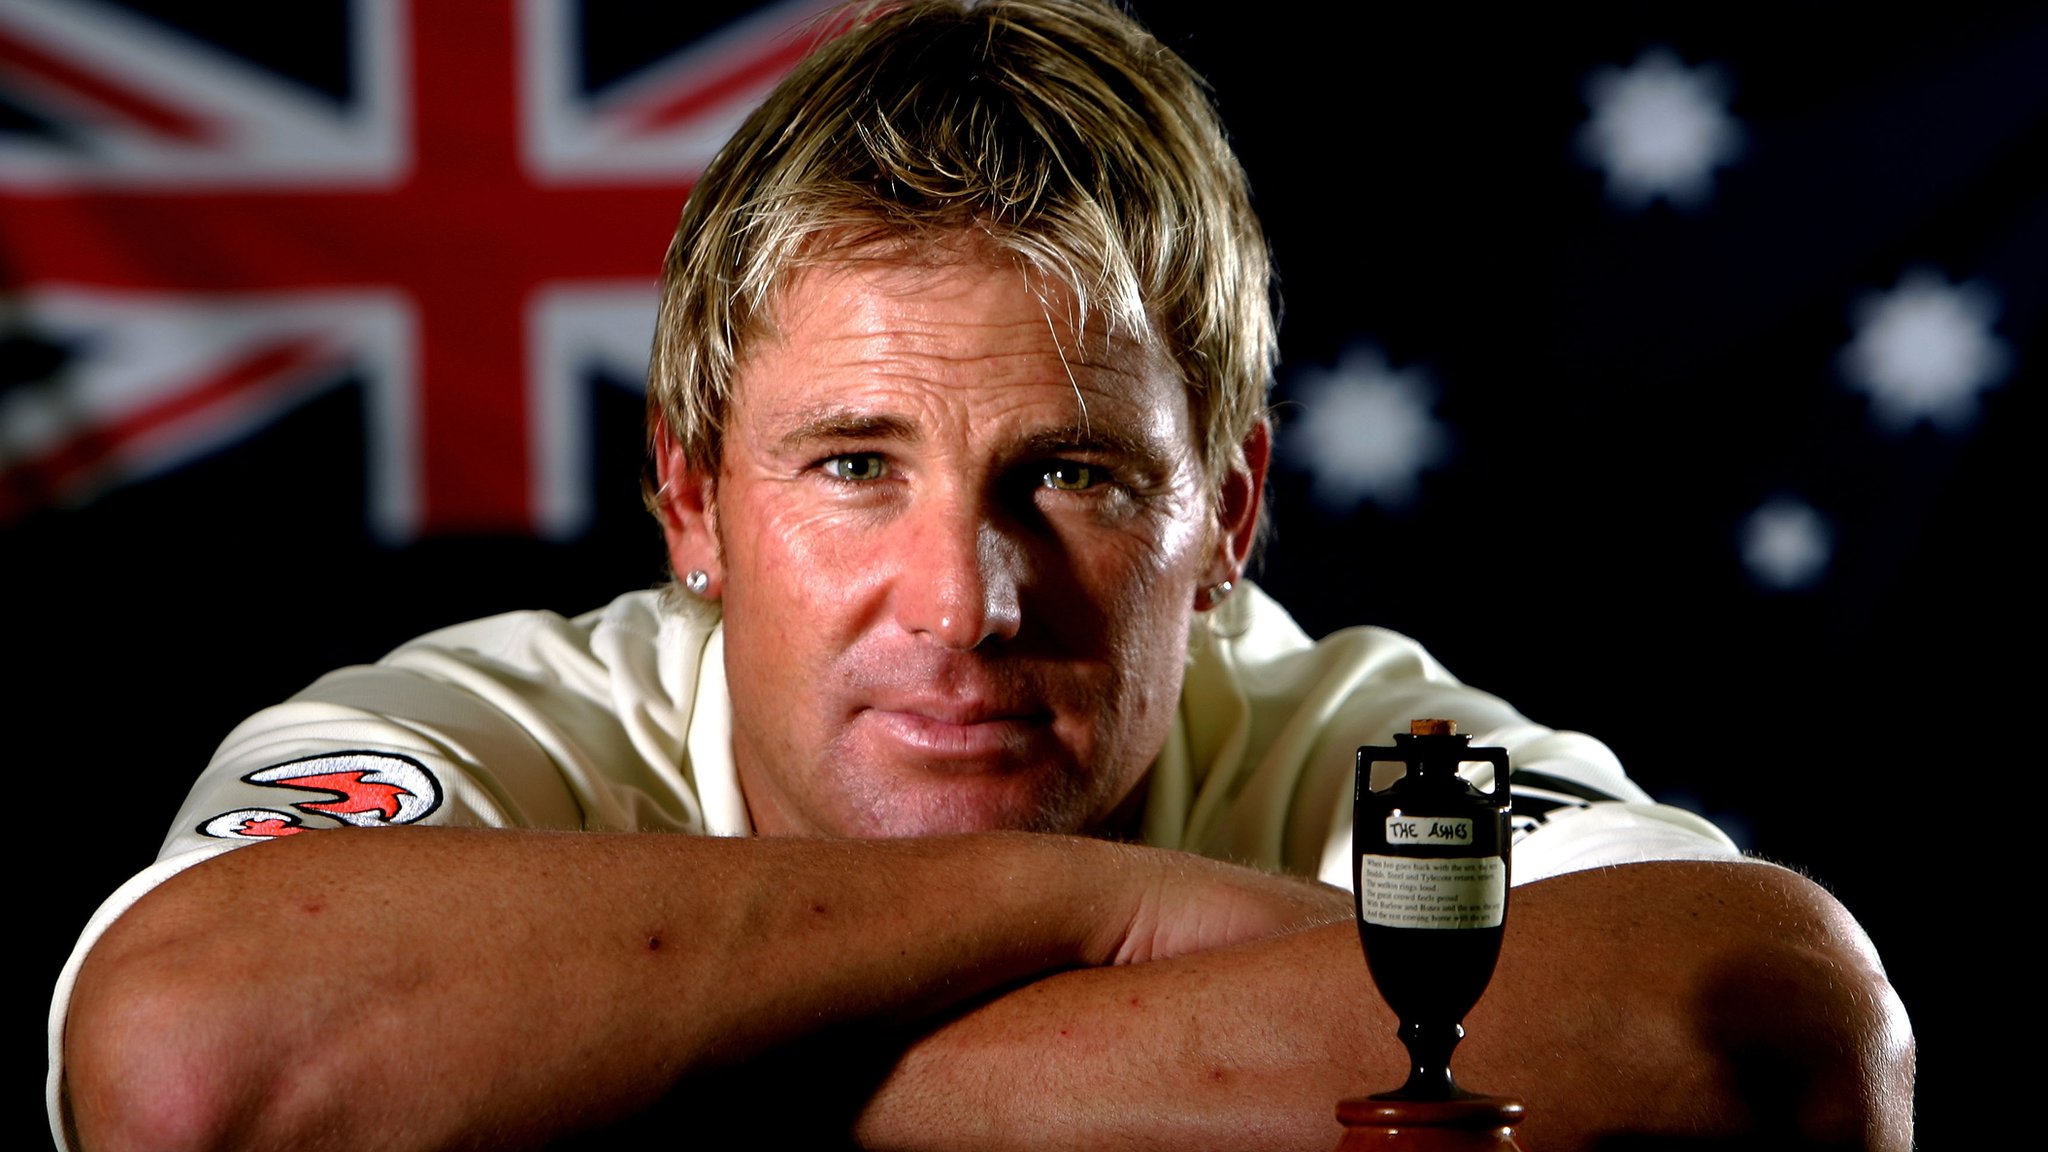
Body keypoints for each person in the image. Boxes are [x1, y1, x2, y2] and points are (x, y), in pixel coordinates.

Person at [52, 1, 1913, 1149]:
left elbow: (1770, 1044)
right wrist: (1094, 909)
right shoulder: (501, 730)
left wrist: (646, 1089)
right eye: (855, 468)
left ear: (1229, 515)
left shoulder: (1349, 745)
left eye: (1074, 475)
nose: (965, 603)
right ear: (690, 502)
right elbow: (188, 1069)